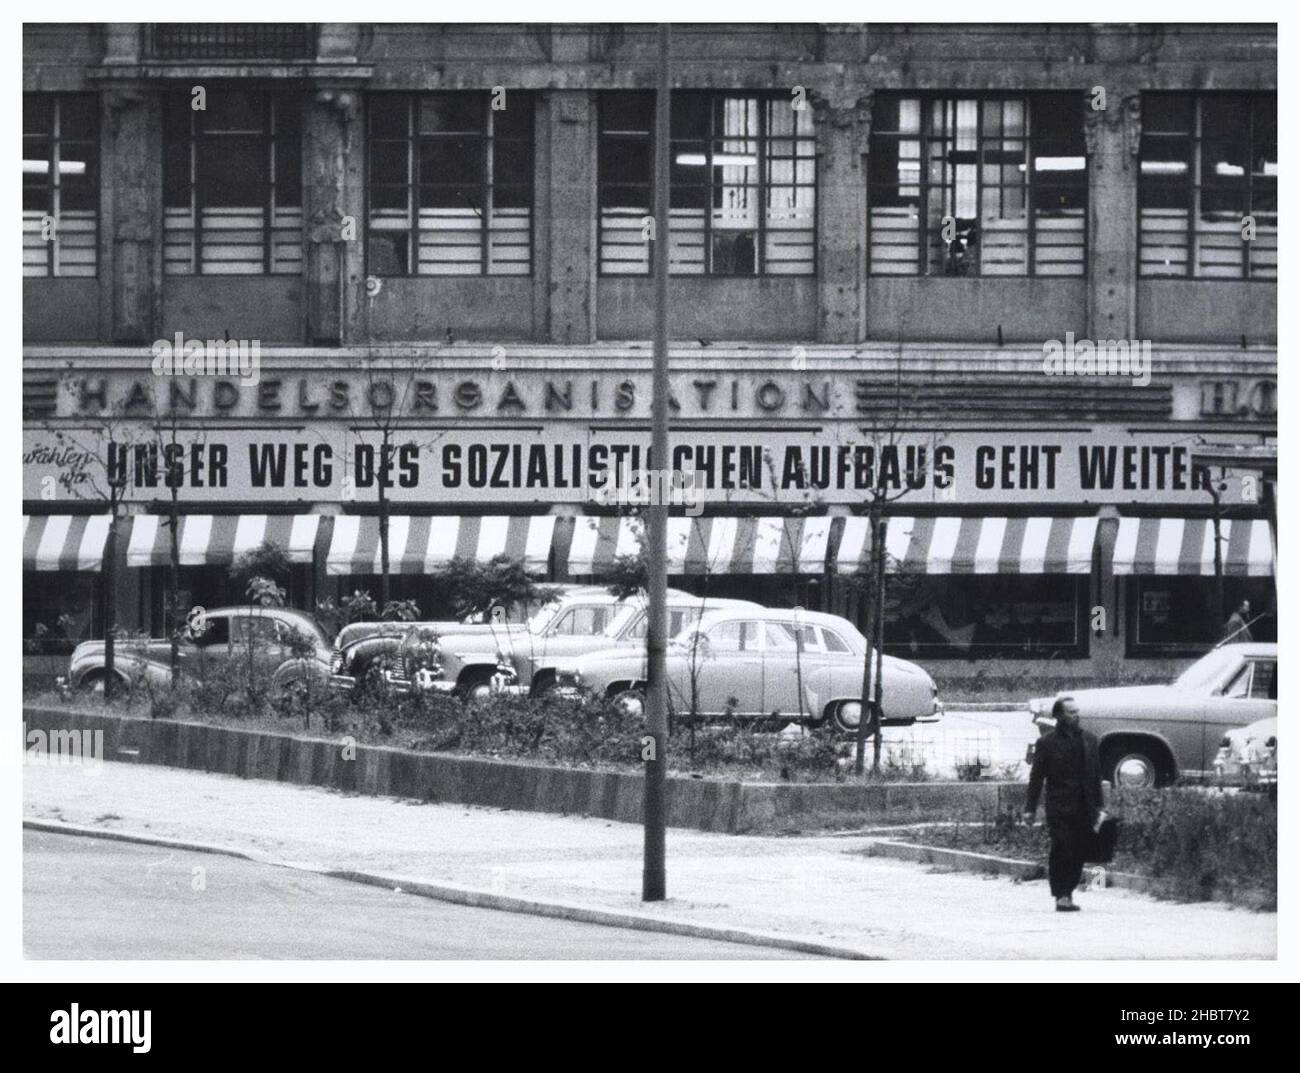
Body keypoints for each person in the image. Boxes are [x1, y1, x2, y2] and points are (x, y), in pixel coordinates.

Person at [1023, 695, 1104, 912]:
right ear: (1059, 715)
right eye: (1071, 712)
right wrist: (1030, 809)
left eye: (1077, 711)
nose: (1076, 715)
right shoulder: (1046, 743)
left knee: (1078, 850)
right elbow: (1036, 777)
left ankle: (1069, 891)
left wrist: (1100, 806)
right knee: (1062, 847)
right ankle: (1061, 894)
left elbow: (1096, 776)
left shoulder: (1090, 740)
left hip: (1084, 806)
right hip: (1059, 806)